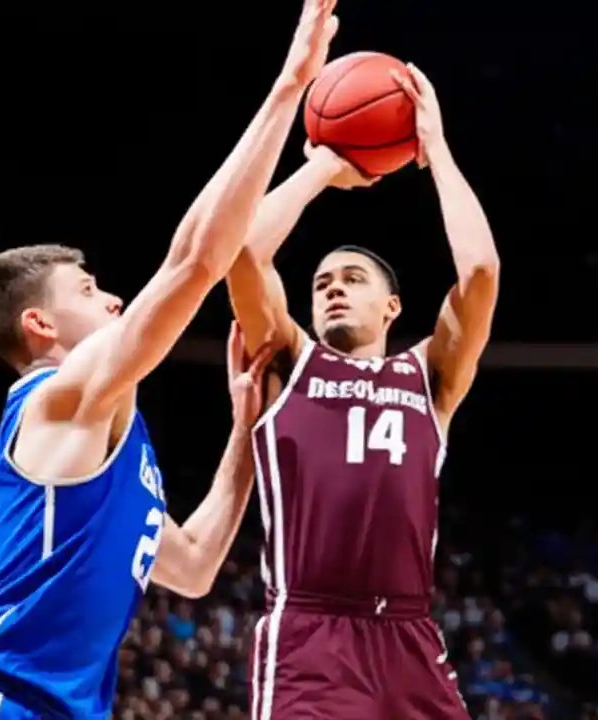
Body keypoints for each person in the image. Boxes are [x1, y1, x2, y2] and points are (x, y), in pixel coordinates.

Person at [0, 1, 341, 717]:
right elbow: (196, 260)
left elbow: (194, 565)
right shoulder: (56, 399)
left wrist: (244, 432)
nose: (113, 300)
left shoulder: (107, 440)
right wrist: (290, 87)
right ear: (40, 323)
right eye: (88, 289)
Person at [226, 64, 500, 719]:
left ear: (392, 307)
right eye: (322, 283)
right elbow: (242, 255)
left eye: (352, 279)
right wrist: (324, 165)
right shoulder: (289, 361)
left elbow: (481, 271)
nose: (333, 289)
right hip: (311, 635)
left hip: (409, 632)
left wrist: (436, 152)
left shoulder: (429, 375)